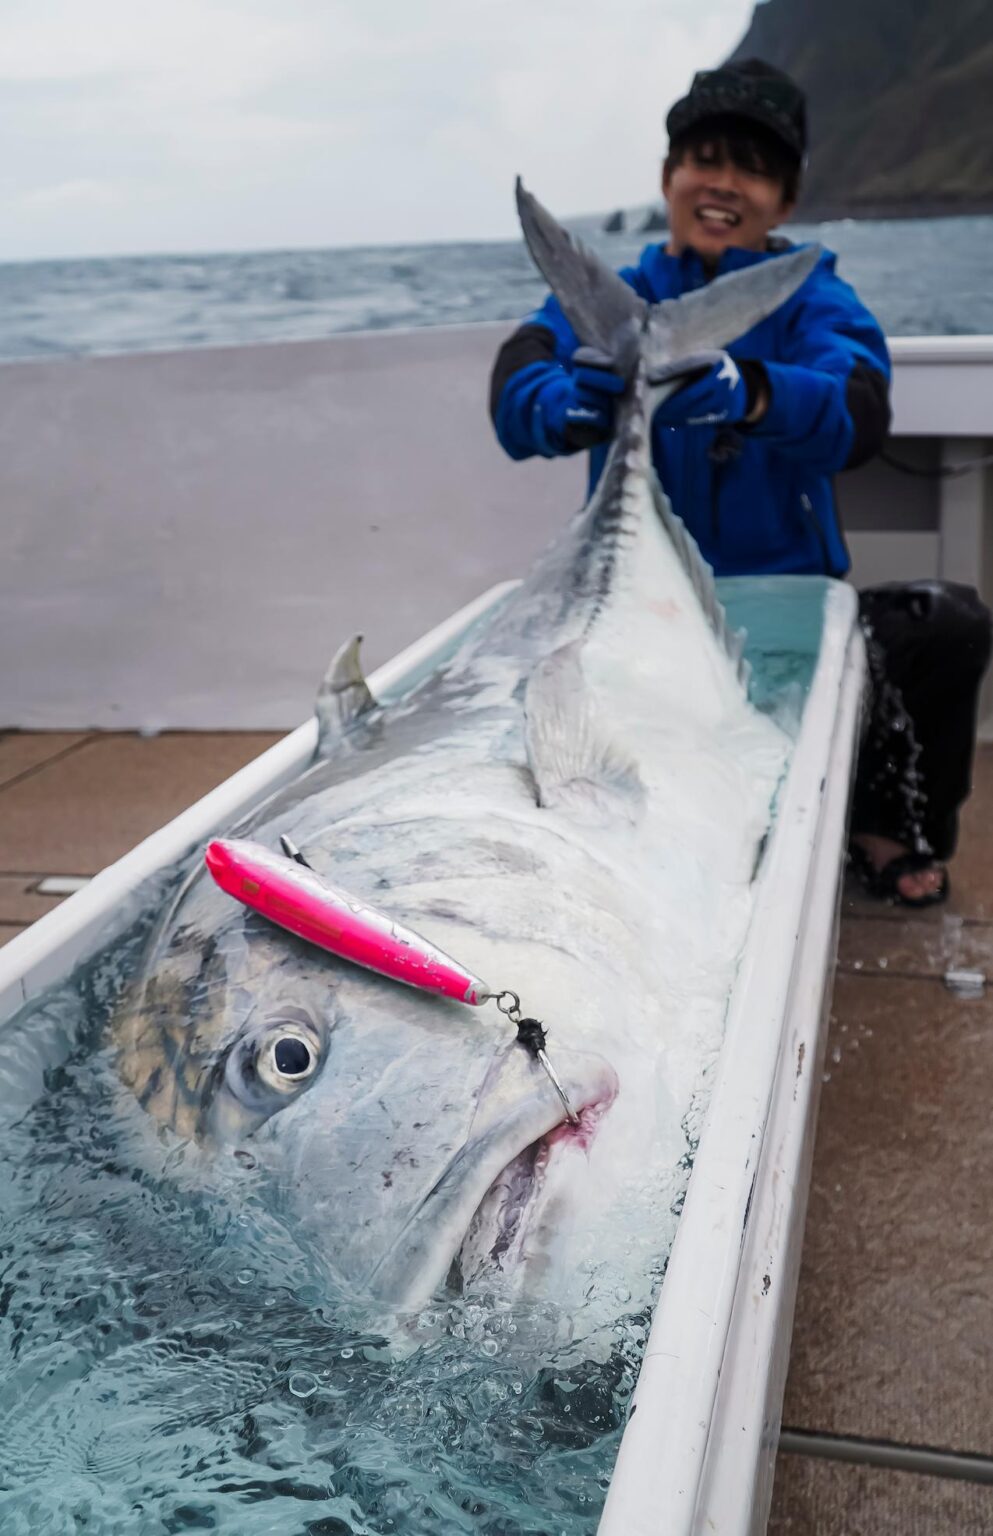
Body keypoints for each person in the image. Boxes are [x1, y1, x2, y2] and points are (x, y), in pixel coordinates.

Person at [489, 58, 991, 907]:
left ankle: (888, 828)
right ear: (667, 178)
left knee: (946, 627)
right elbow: (515, 393)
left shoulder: (814, 303)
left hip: (781, 605)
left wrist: (751, 389)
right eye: (705, 159)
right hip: (631, 617)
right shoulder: (614, 305)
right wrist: (580, 400)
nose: (724, 184)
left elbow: (856, 410)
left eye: (753, 169)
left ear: (785, 202)